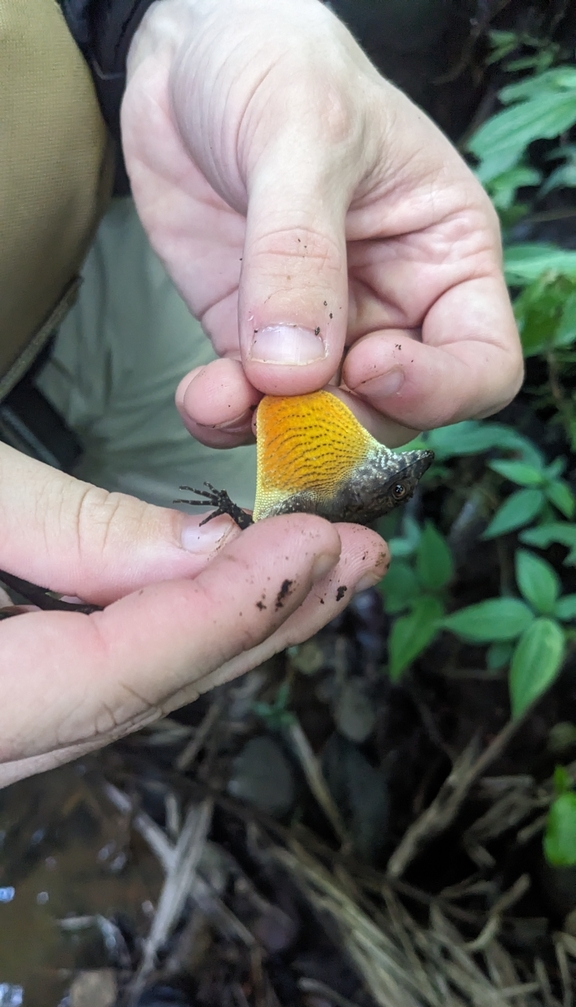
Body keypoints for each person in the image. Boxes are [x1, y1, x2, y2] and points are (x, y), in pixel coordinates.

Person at [0, 0, 523, 788]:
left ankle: (281, 647)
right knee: (133, 601)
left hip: (92, 260)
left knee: (238, 531)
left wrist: (157, 22)